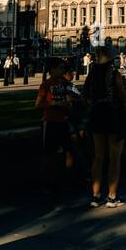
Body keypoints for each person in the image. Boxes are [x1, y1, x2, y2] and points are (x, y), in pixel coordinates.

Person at [84, 46, 126, 208]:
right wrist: (124, 88)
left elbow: (86, 97)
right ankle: (112, 196)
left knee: (98, 156)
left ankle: (95, 196)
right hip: (113, 115)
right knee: (114, 158)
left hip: (97, 115)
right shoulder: (114, 75)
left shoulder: (92, 76)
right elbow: (123, 96)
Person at [35, 57, 76, 194]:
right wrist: (54, 104)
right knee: (49, 154)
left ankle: (68, 179)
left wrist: (70, 101)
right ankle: (46, 183)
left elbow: (72, 94)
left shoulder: (64, 83)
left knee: (68, 151)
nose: (63, 70)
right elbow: (38, 104)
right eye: (60, 68)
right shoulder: (46, 85)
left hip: (63, 121)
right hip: (51, 121)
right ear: (52, 70)